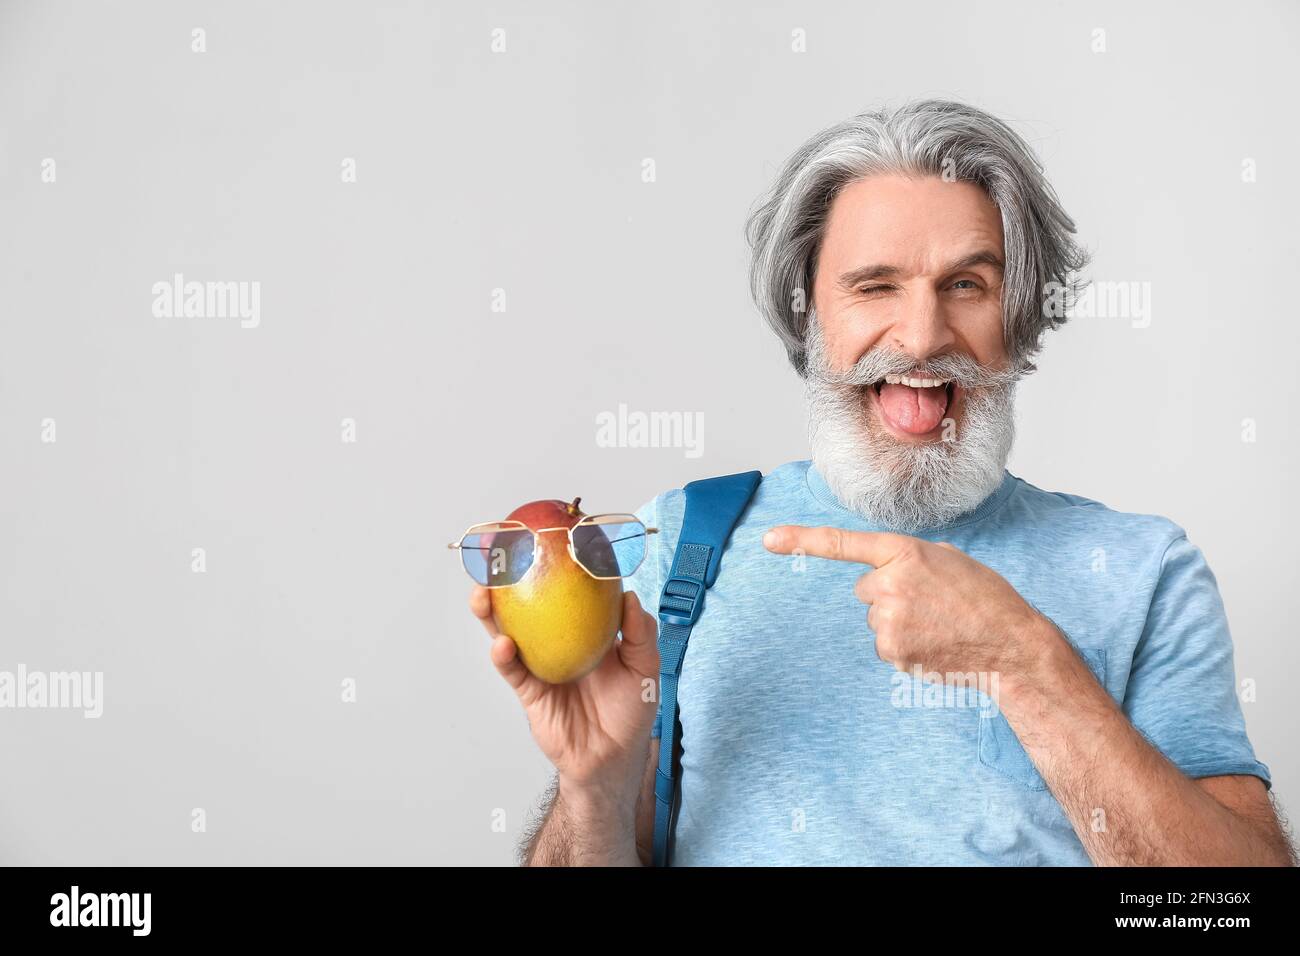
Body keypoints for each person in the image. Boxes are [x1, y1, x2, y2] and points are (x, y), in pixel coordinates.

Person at [468, 100, 1293, 866]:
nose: (924, 334)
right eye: (875, 286)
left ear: (1018, 317)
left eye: (967, 284)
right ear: (809, 314)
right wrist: (595, 787)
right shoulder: (678, 541)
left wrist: (1027, 667)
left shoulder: (1142, 569)